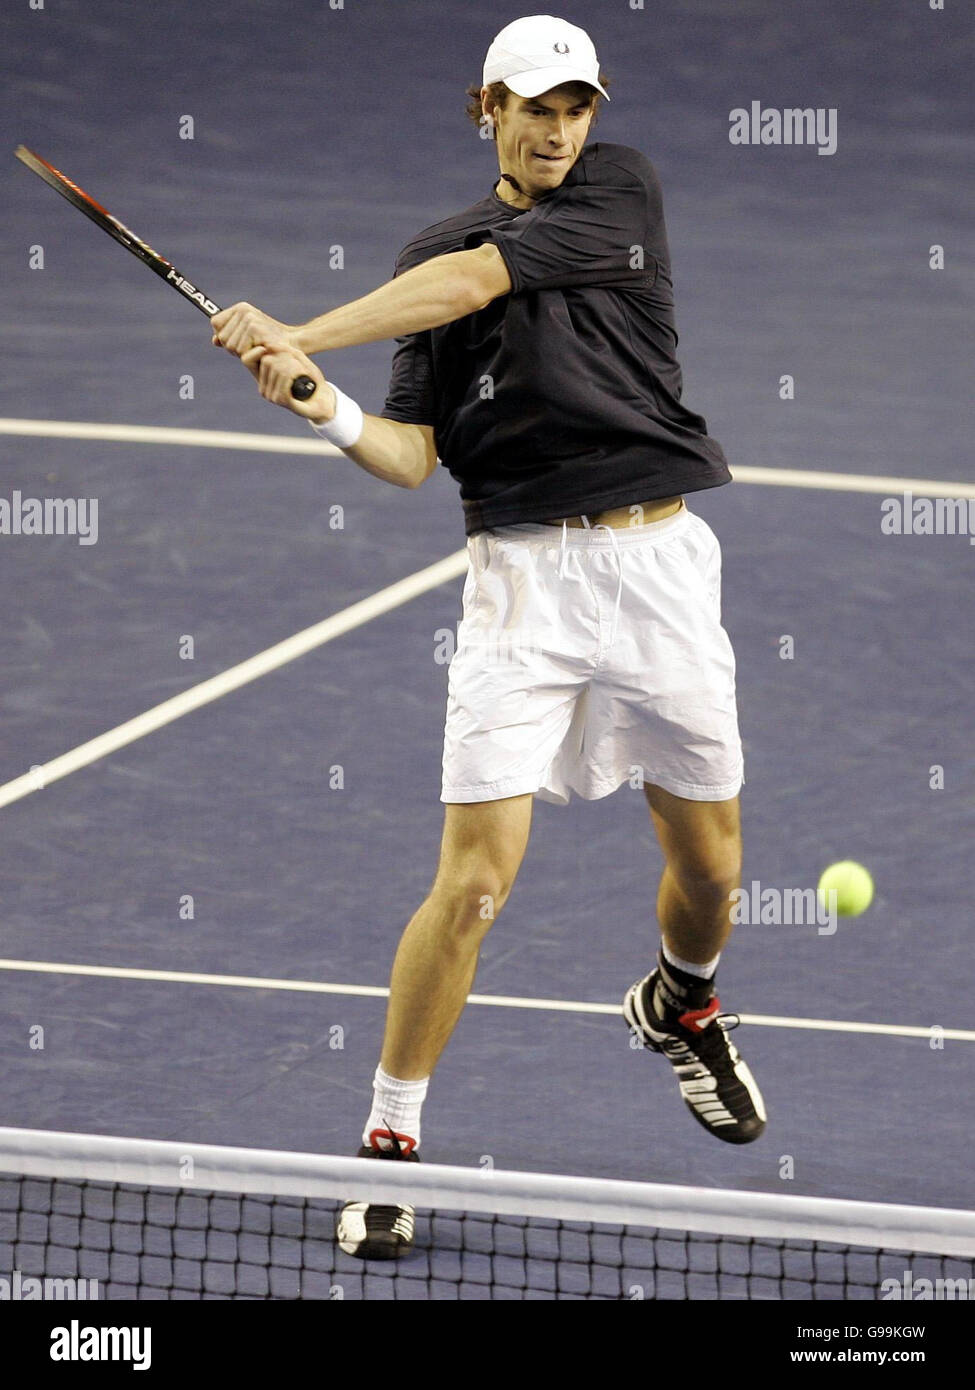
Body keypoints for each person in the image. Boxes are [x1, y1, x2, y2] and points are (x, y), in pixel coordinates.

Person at [211, 14, 766, 1262]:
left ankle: (681, 1003)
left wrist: (299, 327)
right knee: (471, 884)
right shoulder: (429, 255)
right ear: (487, 109)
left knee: (715, 868)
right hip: (520, 589)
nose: (559, 128)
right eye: (535, 108)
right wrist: (322, 405)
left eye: (575, 105)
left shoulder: (621, 187)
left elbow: (476, 279)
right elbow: (412, 456)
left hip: (659, 569)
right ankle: (389, 1145)